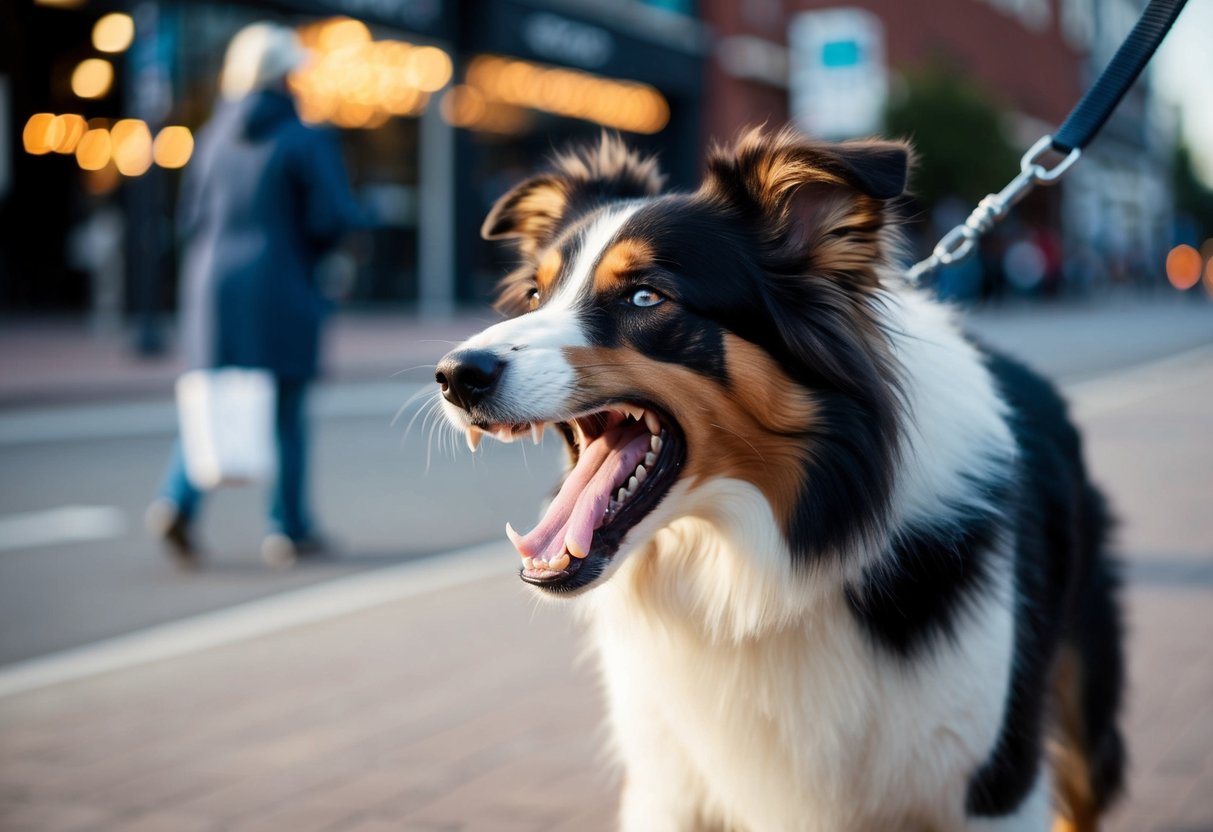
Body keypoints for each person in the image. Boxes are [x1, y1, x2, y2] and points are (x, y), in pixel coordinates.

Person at [147, 21, 365, 568]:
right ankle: (288, 528)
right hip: (280, 283)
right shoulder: (304, 136)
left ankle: (178, 501)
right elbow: (330, 217)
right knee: (286, 409)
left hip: (212, 285)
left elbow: (190, 217)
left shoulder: (211, 136)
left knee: (214, 401)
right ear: (284, 75)